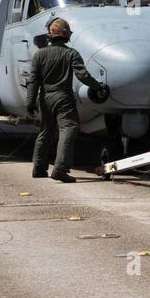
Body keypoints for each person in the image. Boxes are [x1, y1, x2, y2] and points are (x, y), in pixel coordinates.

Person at [27, 17, 107, 183]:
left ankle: (39, 167)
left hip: (45, 97)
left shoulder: (39, 55)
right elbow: (82, 75)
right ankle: (60, 169)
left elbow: (33, 80)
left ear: (50, 35)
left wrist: (30, 103)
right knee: (69, 128)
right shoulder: (71, 54)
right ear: (66, 36)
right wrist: (98, 86)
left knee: (45, 131)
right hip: (63, 97)